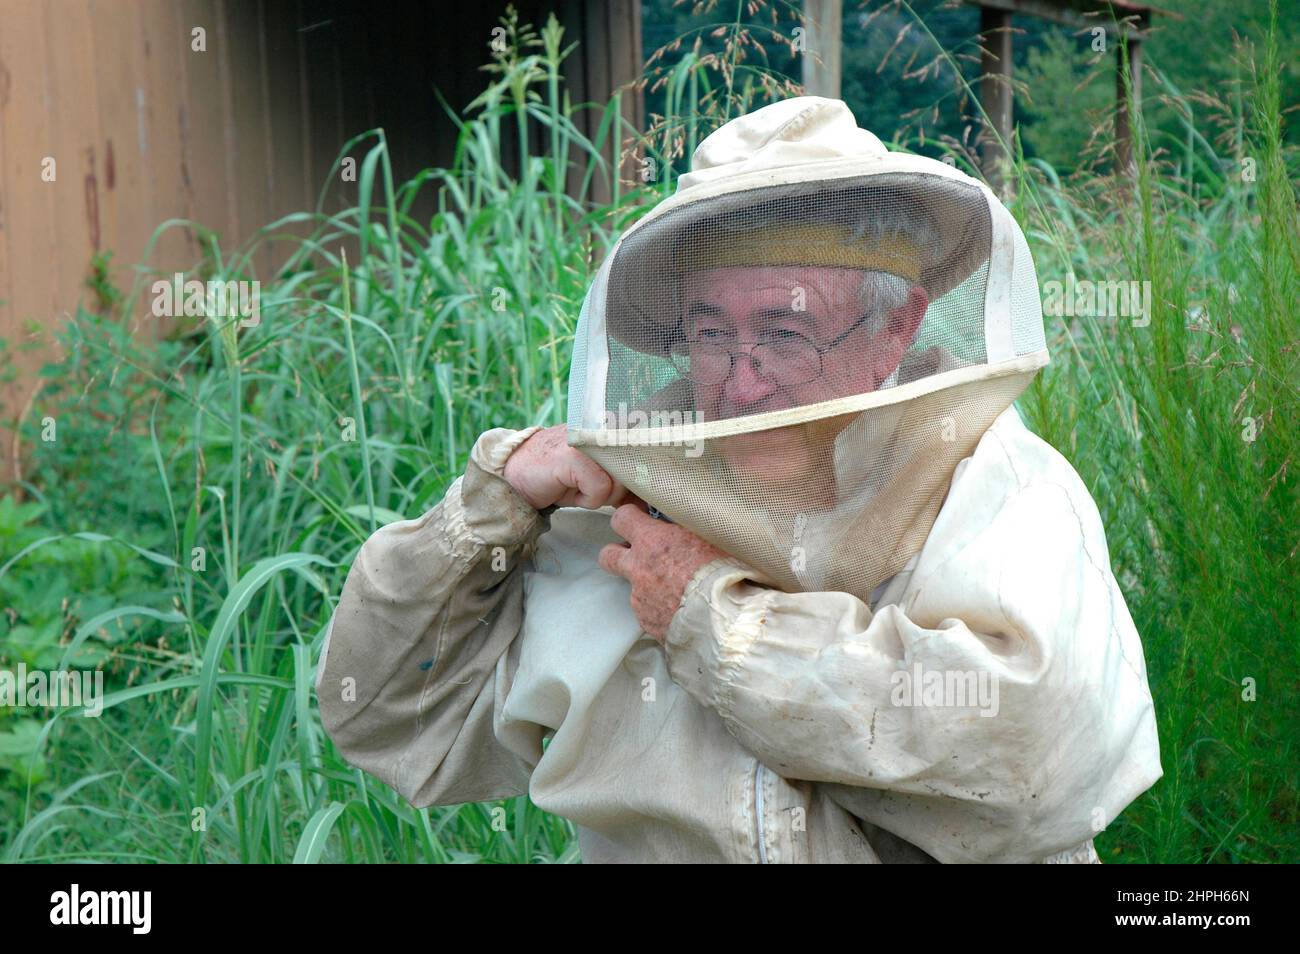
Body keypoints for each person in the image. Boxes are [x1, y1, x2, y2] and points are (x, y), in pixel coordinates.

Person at [316, 96, 1162, 863]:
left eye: (787, 335)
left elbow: (1032, 755)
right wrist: (497, 500)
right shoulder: (612, 498)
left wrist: (713, 621)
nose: (743, 382)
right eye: (712, 332)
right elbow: (381, 710)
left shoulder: (999, 488)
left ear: (894, 330)